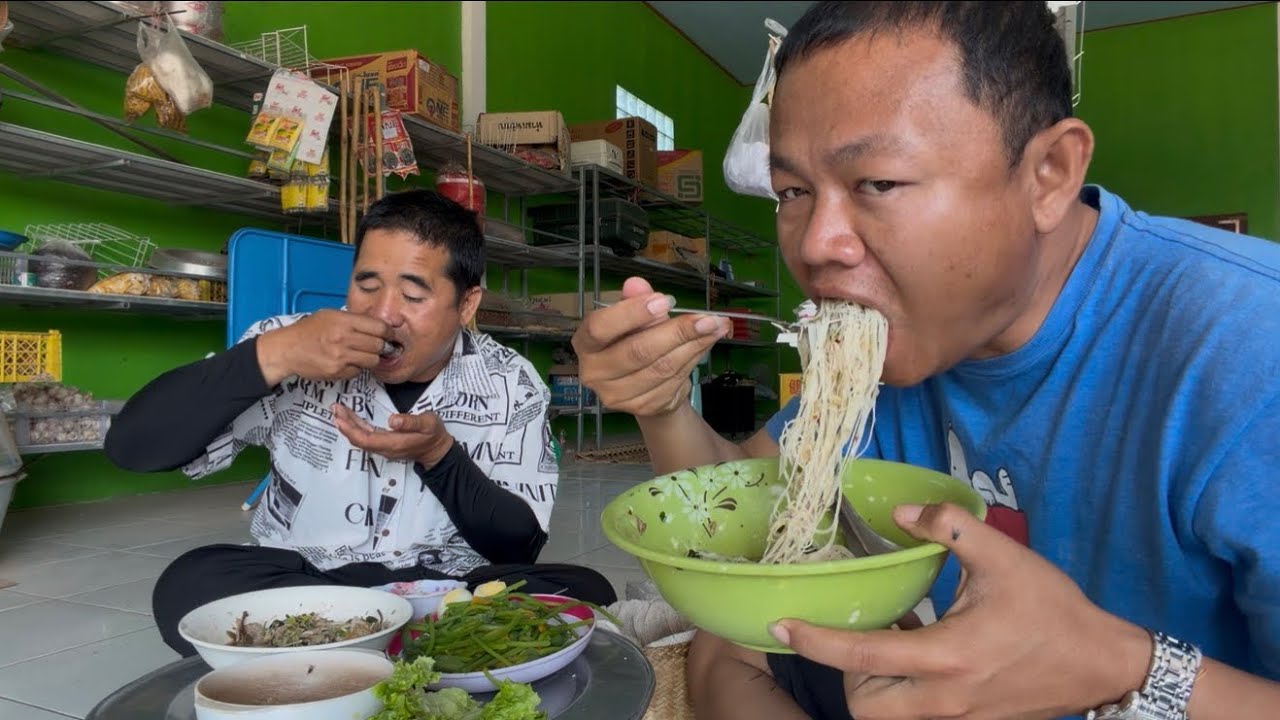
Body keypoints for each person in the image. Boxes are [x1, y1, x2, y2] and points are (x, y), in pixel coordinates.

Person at [570, 2, 1280, 719]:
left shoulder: (1248, 347)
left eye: (878, 183)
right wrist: (663, 405)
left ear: (1049, 174)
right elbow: (745, 504)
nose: (816, 244)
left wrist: (1127, 669)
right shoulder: (898, 339)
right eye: (793, 192)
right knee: (729, 641)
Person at [106, 189, 615, 657]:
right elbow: (132, 447)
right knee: (190, 585)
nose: (383, 314)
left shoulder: (510, 379)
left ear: (467, 304)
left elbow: (518, 546)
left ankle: (335, 648)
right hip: (312, 581)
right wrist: (272, 355)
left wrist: (438, 456)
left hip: (445, 590)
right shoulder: (289, 341)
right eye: (366, 286)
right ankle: (408, 647)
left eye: (413, 296)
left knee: (586, 592)